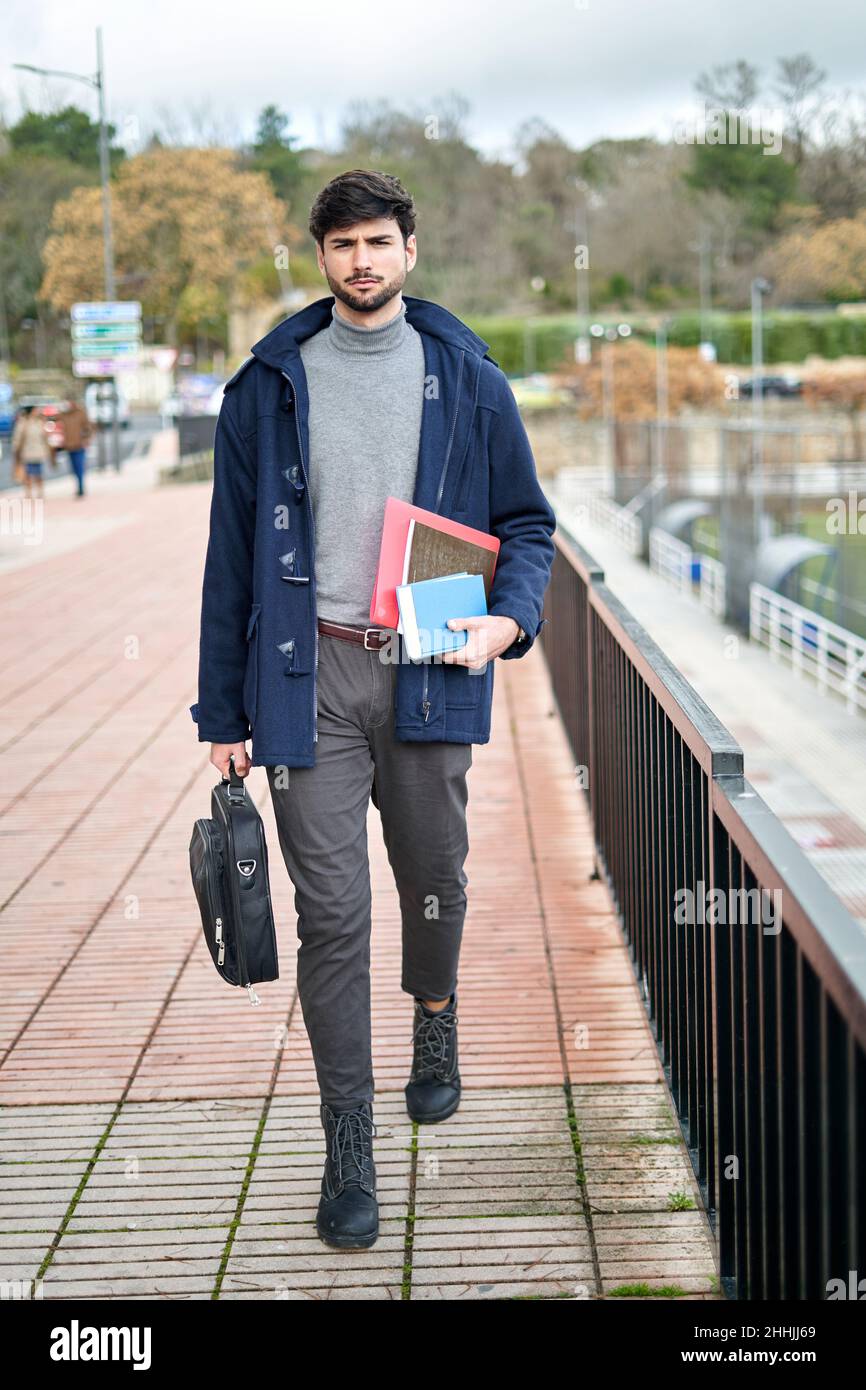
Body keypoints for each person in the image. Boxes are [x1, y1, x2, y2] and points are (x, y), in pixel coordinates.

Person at [190, 169, 557, 1251]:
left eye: (378, 242)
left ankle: (433, 1022)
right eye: (342, 243)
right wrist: (222, 710)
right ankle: (347, 1144)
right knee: (333, 915)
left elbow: (526, 523)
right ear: (319, 256)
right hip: (310, 681)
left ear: (410, 249)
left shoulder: (467, 377)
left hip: (432, 667)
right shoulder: (266, 386)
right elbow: (231, 562)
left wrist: (506, 622)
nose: (361, 260)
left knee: (432, 878)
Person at [11, 405, 52, 501]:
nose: (37, 412)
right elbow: (17, 438)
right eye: (35, 410)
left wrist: (48, 450)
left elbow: (45, 438)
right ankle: (28, 493)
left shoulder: (40, 422)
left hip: (39, 453)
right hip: (27, 453)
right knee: (28, 475)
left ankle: (40, 493)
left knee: (39, 474)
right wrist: (16, 450)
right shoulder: (23, 423)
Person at [60, 396, 94, 497]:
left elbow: (88, 427)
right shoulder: (64, 415)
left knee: (79, 466)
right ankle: (78, 485)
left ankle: (81, 487)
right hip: (69, 445)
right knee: (73, 468)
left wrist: (86, 439)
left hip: (79, 445)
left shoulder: (80, 413)